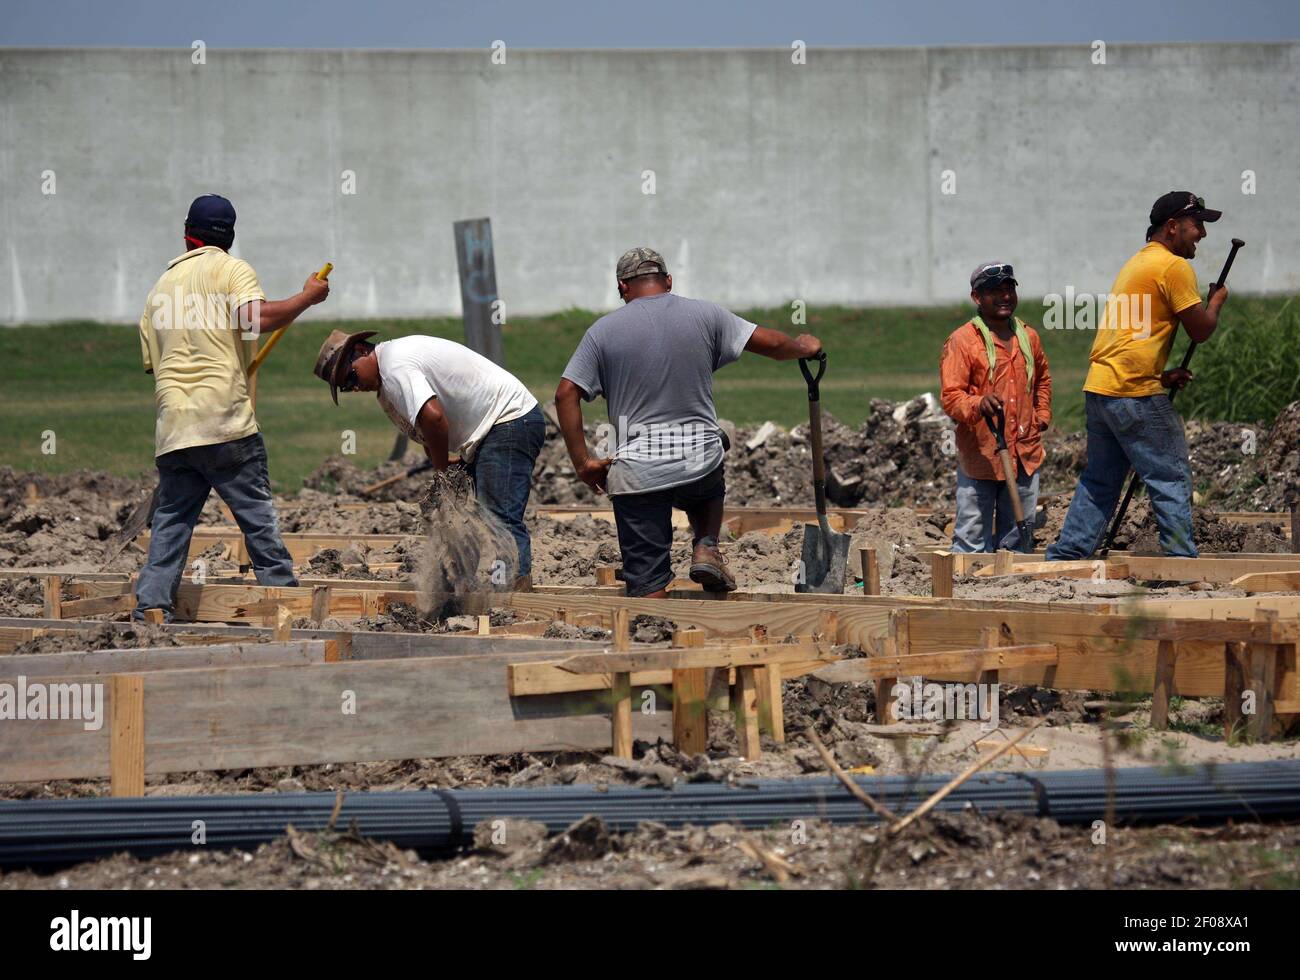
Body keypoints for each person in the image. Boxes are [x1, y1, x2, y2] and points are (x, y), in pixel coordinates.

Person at [555, 246, 821, 599]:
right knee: (713, 444)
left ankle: (653, 606)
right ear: (667, 280)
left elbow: (564, 395)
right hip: (698, 464)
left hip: (638, 474)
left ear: (622, 287)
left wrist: (584, 463)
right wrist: (803, 347)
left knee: (647, 588)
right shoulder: (706, 314)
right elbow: (771, 344)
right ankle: (706, 545)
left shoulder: (601, 333)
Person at [134, 194, 329, 621]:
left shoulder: (158, 290)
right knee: (256, 516)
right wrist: (306, 298)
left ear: (187, 235)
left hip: (174, 428)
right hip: (224, 422)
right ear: (230, 236)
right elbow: (254, 320)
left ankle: (151, 605)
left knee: (171, 521)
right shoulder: (230, 269)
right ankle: (283, 599)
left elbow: (158, 366)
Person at [1048, 192, 1229, 559]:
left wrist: (1161, 377)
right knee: (1170, 476)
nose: (1202, 234)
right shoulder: (1173, 267)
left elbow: (1130, 337)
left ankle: (1068, 557)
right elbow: (1200, 331)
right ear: (1173, 227)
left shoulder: (1137, 264)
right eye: (1197, 225)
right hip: (1132, 393)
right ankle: (1180, 563)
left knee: (1100, 480)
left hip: (1102, 388)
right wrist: (1215, 302)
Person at [314, 331, 544, 588]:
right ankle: (460, 587)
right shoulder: (388, 381)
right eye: (346, 388)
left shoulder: (394, 366)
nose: (354, 388)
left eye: (351, 378)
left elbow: (433, 417)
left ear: (360, 351)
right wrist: (444, 461)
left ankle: (512, 594)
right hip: (489, 430)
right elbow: (426, 429)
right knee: (469, 518)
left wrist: (442, 472)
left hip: (508, 419)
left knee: (500, 518)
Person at [939, 261, 1053, 552]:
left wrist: (1042, 414)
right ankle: (967, 589)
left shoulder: (1029, 337)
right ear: (977, 297)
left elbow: (1042, 380)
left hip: (1024, 453)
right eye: (994, 291)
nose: (1004, 297)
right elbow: (952, 397)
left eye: (1009, 289)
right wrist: (979, 403)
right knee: (971, 536)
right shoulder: (962, 341)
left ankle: (1012, 590)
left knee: (1017, 538)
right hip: (982, 455)